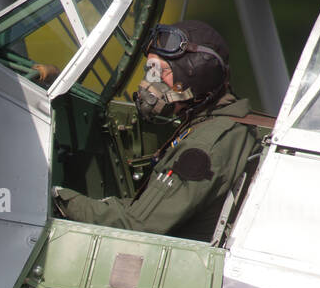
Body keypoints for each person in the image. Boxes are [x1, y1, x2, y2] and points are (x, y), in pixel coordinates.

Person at [52, 20, 261, 242]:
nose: (149, 83)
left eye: (160, 71)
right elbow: (144, 210)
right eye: (149, 71)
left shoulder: (203, 147)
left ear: (197, 73)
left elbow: (137, 225)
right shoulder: (226, 124)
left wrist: (61, 200)